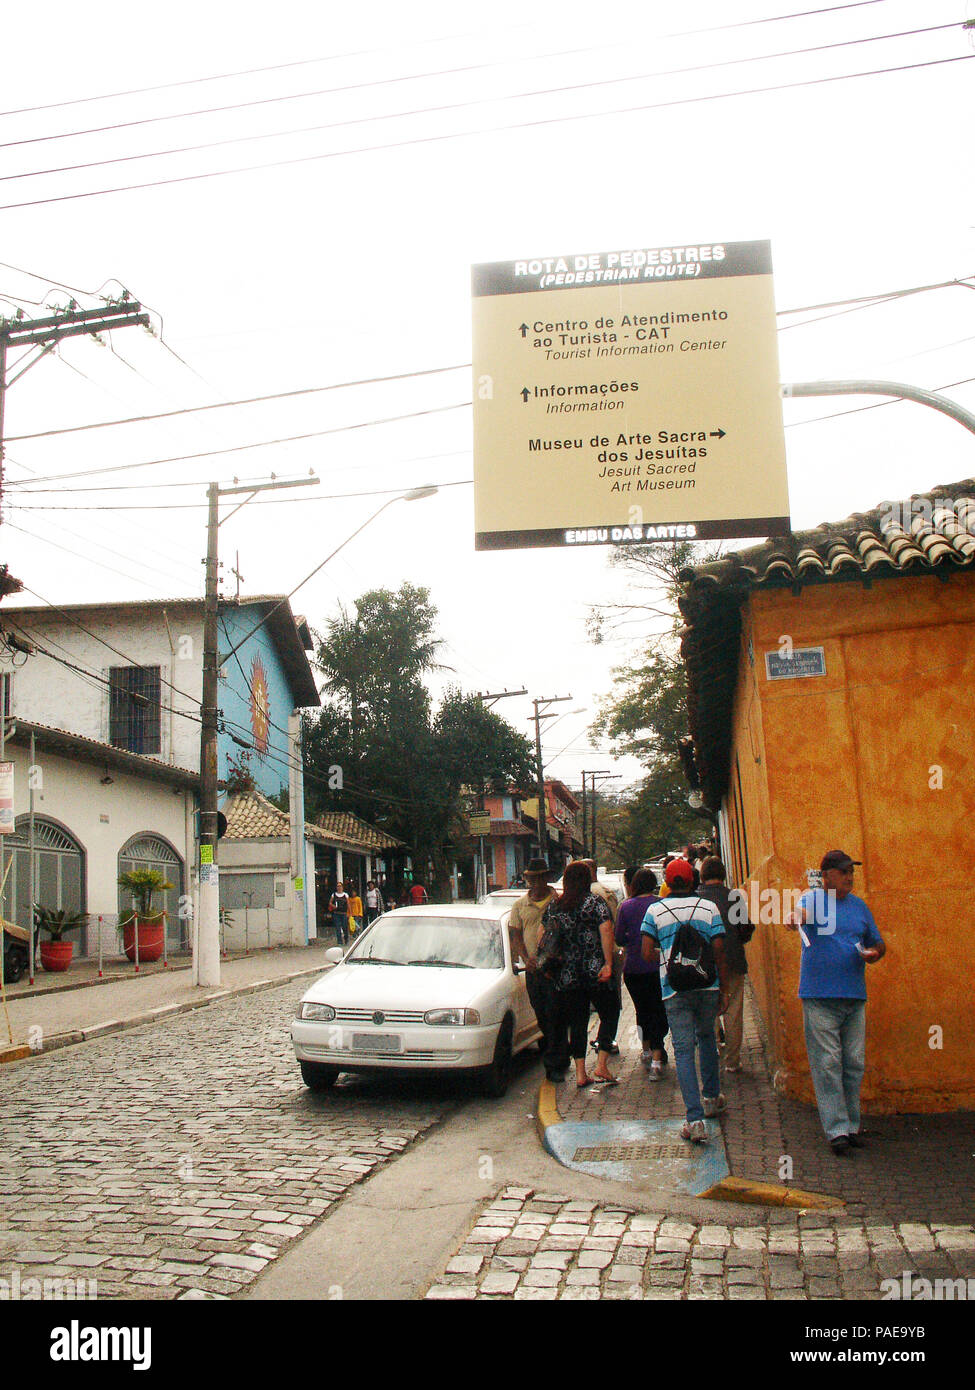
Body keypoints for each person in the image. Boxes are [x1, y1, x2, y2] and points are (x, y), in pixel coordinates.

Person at [785, 849, 886, 1156]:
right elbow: (799, 914)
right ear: (826, 876)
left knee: (853, 1063)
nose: (849, 877)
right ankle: (837, 1130)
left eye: (851, 872)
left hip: (854, 996)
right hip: (819, 996)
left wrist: (875, 953)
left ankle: (852, 1125)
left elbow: (878, 942)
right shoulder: (812, 900)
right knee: (828, 1063)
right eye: (843, 872)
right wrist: (793, 918)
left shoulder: (859, 907)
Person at [641, 858, 729, 1143]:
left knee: (682, 1050)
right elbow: (718, 948)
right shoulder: (709, 907)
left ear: (666, 881)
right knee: (707, 1040)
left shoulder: (655, 910)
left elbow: (645, 952)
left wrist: (668, 958)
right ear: (692, 880)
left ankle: (695, 1121)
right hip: (707, 986)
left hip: (674, 989)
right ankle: (712, 1098)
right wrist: (723, 989)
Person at [544, 860, 619, 1087]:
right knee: (610, 1011)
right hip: (594, 970)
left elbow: (545, 935)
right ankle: (602, 1064)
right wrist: (608, 963)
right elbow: (606, 930)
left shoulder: (555, 906)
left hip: (566, 975)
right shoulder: (594, 903)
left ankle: (580, 1073)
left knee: (577, 1022)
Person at [508, 857, 565, 1081]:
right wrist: (526, 958)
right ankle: (557, 1054)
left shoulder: (558, 902)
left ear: (546, 878)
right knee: (542, 1015)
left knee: (556, 1015)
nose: (535, 882)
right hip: (533, 970)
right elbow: (516, 936)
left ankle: (555, 1063)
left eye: (539, 878)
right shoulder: (520, 905)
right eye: (531, 878)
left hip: (555, 968)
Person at [699, 855, 754, 1073]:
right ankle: (732, 1060)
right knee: (734, 1010)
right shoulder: (734, 897)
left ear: (703, 875)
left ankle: (713, 1053)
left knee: (709, 1009)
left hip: (705, 963)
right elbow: (746, 929)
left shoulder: (697, 899)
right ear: (723, 874)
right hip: (732, 960)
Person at [615, 866, 669, 1078]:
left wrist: (632, 939)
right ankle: (657, 1057)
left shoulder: (626, 907)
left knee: (641, 1010)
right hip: (658, 966)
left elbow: (619, 938)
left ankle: (645, 1049)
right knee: (658, 1010)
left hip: (634, 969)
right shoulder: (661, 904)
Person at [328, 881, 352, 948]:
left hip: (344, 913)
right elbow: (330, 902)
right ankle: (339, 941)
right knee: (338, 928)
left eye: (340, 886)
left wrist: (350, 913)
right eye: (338, 886)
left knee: (345, 927)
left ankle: (346, 939)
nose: (339, 887)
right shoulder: (334, 895)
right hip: (336, 913)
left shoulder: (345, 895)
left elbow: (348, 904)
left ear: (342, 887)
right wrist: (333, 906)